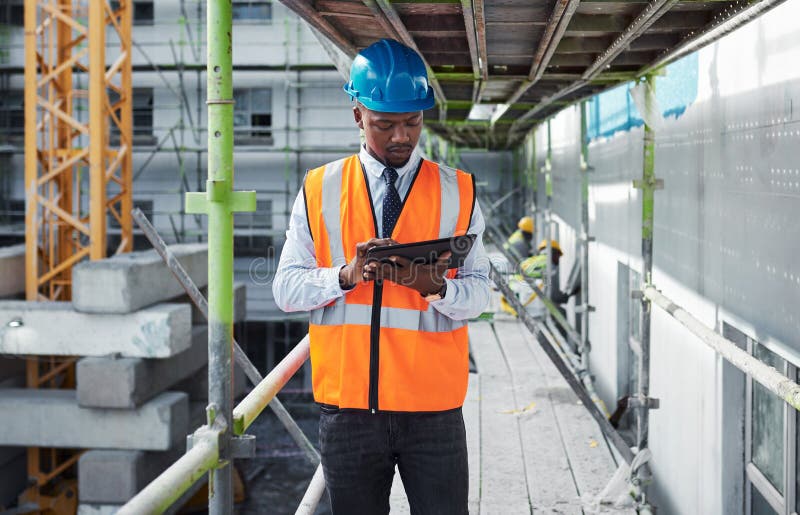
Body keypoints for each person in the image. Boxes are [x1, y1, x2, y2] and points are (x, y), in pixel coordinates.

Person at [272, 38, 490, 515]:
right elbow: (286, 289)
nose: (400, 137)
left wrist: (436, 287)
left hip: (433, 411)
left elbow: (480, 294)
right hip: (349, 413)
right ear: (357, 115)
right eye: (384, 124)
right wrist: (345, 276)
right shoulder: (319, 189)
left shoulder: (459, 193)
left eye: (411, 123)